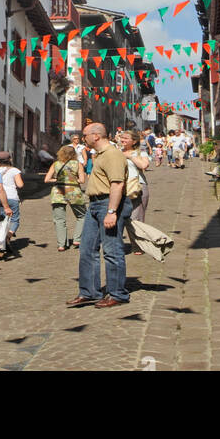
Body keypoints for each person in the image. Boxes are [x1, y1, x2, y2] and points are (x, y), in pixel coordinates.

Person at [67, 122, 133, 309]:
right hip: (95, 204)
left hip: (108, 204)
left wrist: (112, 211)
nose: (83, 137)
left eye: (85, 134)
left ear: (96, 136)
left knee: (112, 251)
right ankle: (89, 292)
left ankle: (117, 293)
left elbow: (117, 184)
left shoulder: (112, 154)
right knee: (87, 249)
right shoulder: (100, 155)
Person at [45, 143, 87, 250]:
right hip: (74, 191)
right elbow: (82, 180)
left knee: (59, 219)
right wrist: (72, 180)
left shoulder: (55, 164)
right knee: (82, 216)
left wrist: (58, 180)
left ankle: (61, 244)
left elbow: (46, 179)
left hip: (58, 191)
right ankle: (77, 239)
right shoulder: (78, 164)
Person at [117, 130, 150, 254]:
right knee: (120, 217)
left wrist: (130, 156)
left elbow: (144, 165)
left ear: (134, 141)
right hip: (120, 187)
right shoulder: (116, 152)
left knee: (136, 218)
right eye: (122, 137)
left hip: (137, 187)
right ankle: (119, 244)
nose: (123, 140)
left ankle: (138, 245)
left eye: (126, 138)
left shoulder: (140, 152)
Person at [0, 151, 24, 251]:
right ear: (10, 159)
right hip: (12, 197)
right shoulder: (14, 170)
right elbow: (20, 185)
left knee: (0, 220)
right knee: (14, 220)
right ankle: (8, 236)